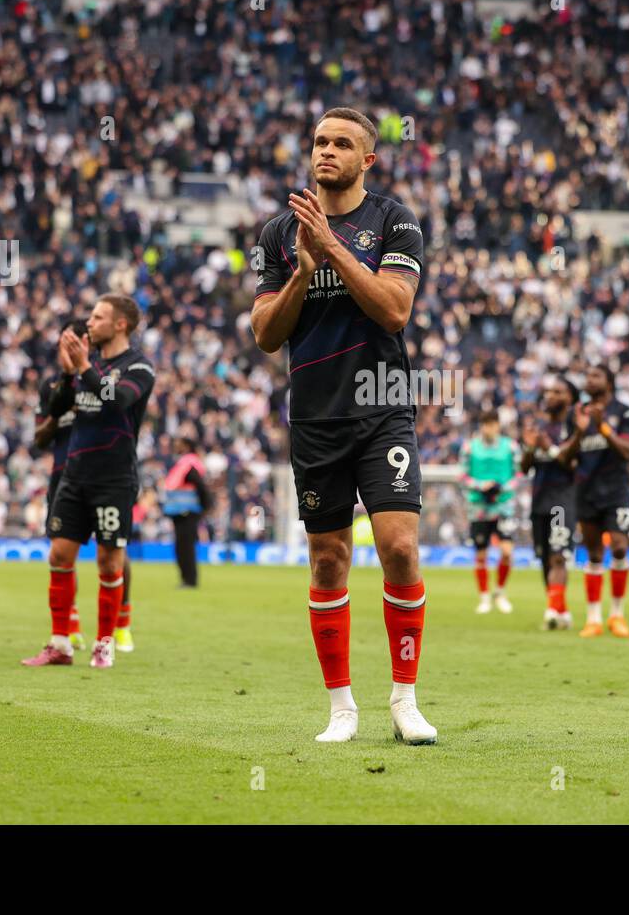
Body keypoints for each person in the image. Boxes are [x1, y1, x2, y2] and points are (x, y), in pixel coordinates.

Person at [251, 107, 435, 744]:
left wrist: (329, 248)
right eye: (319, 142)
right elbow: (266, 335)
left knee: (400, 548)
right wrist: (303, 270)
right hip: (315, 415)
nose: (326, 152)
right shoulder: (279, 231)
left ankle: (405, 700)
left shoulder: (394, 221)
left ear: (368, 159)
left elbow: (393, 311)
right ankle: (341, 708)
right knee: (328, 559)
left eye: (341, 144)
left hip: (383, 406)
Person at [22, 295, 155, 669]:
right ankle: (60, 642)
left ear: (120, 325)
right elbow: (58, 409)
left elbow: (116, 401)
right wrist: (68, 374)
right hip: (74, 475)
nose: (89, 324)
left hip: (113, 479)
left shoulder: (139, 366)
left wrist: (83, 368)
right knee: (59, 554)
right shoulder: (89, 364)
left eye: (97, 318)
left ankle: (104, 643)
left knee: (109, 563)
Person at [560, 365, 629, 638]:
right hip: (586, 492)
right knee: (593, 554)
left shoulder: (624, 411)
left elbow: (628, 451)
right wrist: (581, 432)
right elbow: (564, 457)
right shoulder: (575, 413)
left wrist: (603, 426)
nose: (588, 379)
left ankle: (617, 614)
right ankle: (594, 618)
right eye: (588, 374)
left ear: (609, 382)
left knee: (618, 547)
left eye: (595, 375)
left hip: (617, 492)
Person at [35, 318, 88, 650]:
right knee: (60, 551)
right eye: (61, 343)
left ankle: (120, 626)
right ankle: (71, 621)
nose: (64, 350)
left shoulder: (102, 379)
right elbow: (39, 438)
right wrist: (58, 411)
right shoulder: (51, 386)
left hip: (99, 474)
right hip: (62, 475)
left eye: (71, 342)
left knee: (113, 553)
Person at [521, 378, 579, 630]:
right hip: (539, 499)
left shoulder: (575, 428)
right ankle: (560, 610)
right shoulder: (541, 427)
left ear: (571, 398)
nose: (550, 395)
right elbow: (525, 469)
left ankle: (552, 611)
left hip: (563, 498)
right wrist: (530, 449)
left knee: (558, 557)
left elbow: (574, 465)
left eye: (557, 391)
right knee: (545, 558)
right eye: (548, 391)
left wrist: (550, 448)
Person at [462, 409, 519, 615]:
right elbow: (463, 476)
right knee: (481, 554)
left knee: (506, 552)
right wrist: (480, 485)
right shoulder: (470, 447)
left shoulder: (510, 447)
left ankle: (500, 592)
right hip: (478, 508)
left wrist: (502, 487)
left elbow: (519, 474)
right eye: (486, 424)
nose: (490, 428)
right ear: (481, 426)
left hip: (503, 507)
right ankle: (484, 597)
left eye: (493, 423)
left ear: (498, 425)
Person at [164, 437, 213, 588]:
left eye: (179, 444)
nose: (176, 447)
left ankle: (190, 580)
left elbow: (201, 487)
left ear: (186, 446)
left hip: (188, 512)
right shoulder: (184, 464)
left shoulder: (189, 465)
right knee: (182, 547)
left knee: (186, 547)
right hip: (180, 512)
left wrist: (205, 507)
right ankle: (186, 579)